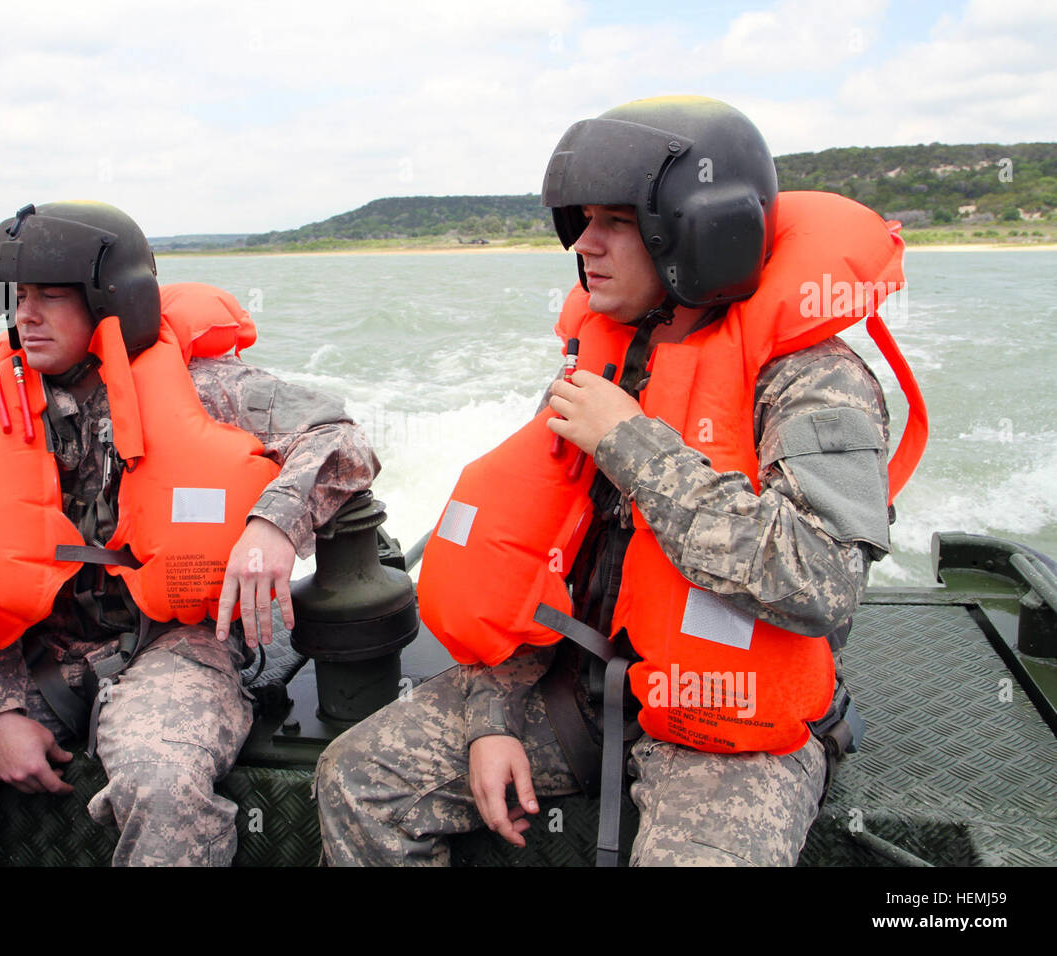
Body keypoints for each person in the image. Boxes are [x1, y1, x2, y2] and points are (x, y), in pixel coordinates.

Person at [316, 96, 924, 866]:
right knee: (358, 778)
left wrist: (630, 443)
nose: (585, 244)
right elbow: (532, 558)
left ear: (698, 234)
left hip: (728, 724)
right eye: (581, 220)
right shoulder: (598, 358)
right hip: (581, 683)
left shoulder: (813, 379)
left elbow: (819, 581)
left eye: (615, 222)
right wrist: (491, 717)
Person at [0, 201, 377, 866]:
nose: (26, 315)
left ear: (113, 301)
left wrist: (272, 523)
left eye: (51, 296)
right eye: (19, 296)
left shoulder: (210, 391)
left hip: (175, 645)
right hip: (27, 655)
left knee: (161, 786)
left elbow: (341, 440)